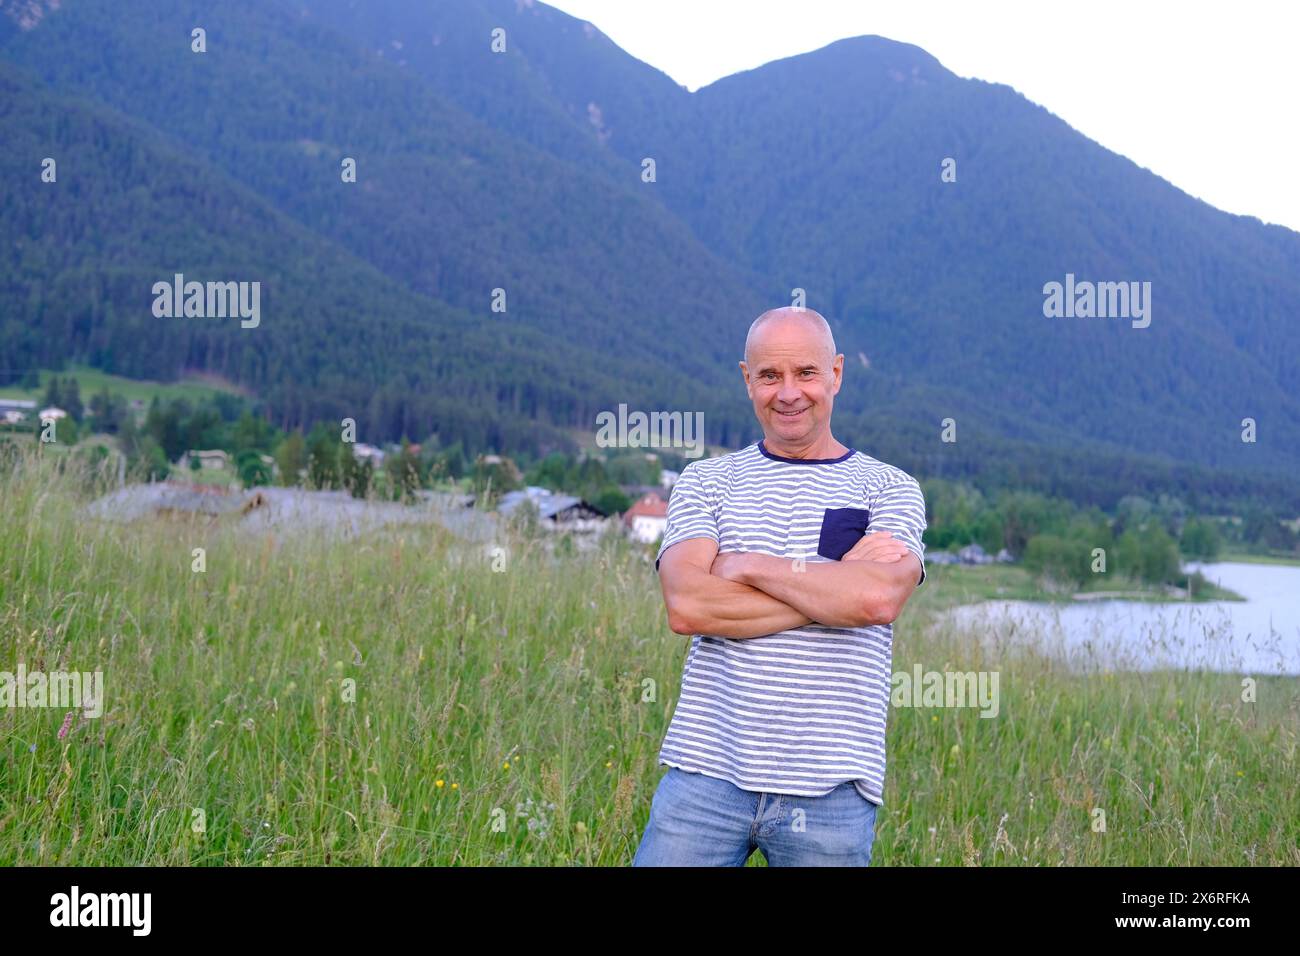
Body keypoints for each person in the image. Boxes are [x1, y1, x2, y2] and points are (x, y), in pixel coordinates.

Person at [633, 306, 927, 867]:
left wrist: (743, 564)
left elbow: (877, 599)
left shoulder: (890, 488)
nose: (788, 392)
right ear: (748, 380)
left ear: (836, 373)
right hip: (705, 775)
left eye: (806, 373)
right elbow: (688, 605)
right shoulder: (706, 480)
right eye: (770, 376)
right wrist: (832, 588)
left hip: (832, 790)